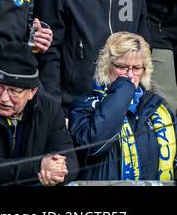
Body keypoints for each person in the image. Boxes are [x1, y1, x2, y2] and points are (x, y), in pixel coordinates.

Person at [0, 42, 77, 185]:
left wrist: (56, 173)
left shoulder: (50, 108)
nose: (4, 98)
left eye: (13, 91)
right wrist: (38, 167)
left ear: (32, 91)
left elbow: (70, 160)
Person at [71, 32, 176, 181]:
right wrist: (123, 91)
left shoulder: (158, 107)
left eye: (136, 68)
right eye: (122, 67)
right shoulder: (85, 104)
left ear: (144, 70)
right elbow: (93, 147)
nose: (130, 75)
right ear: (107, 66)